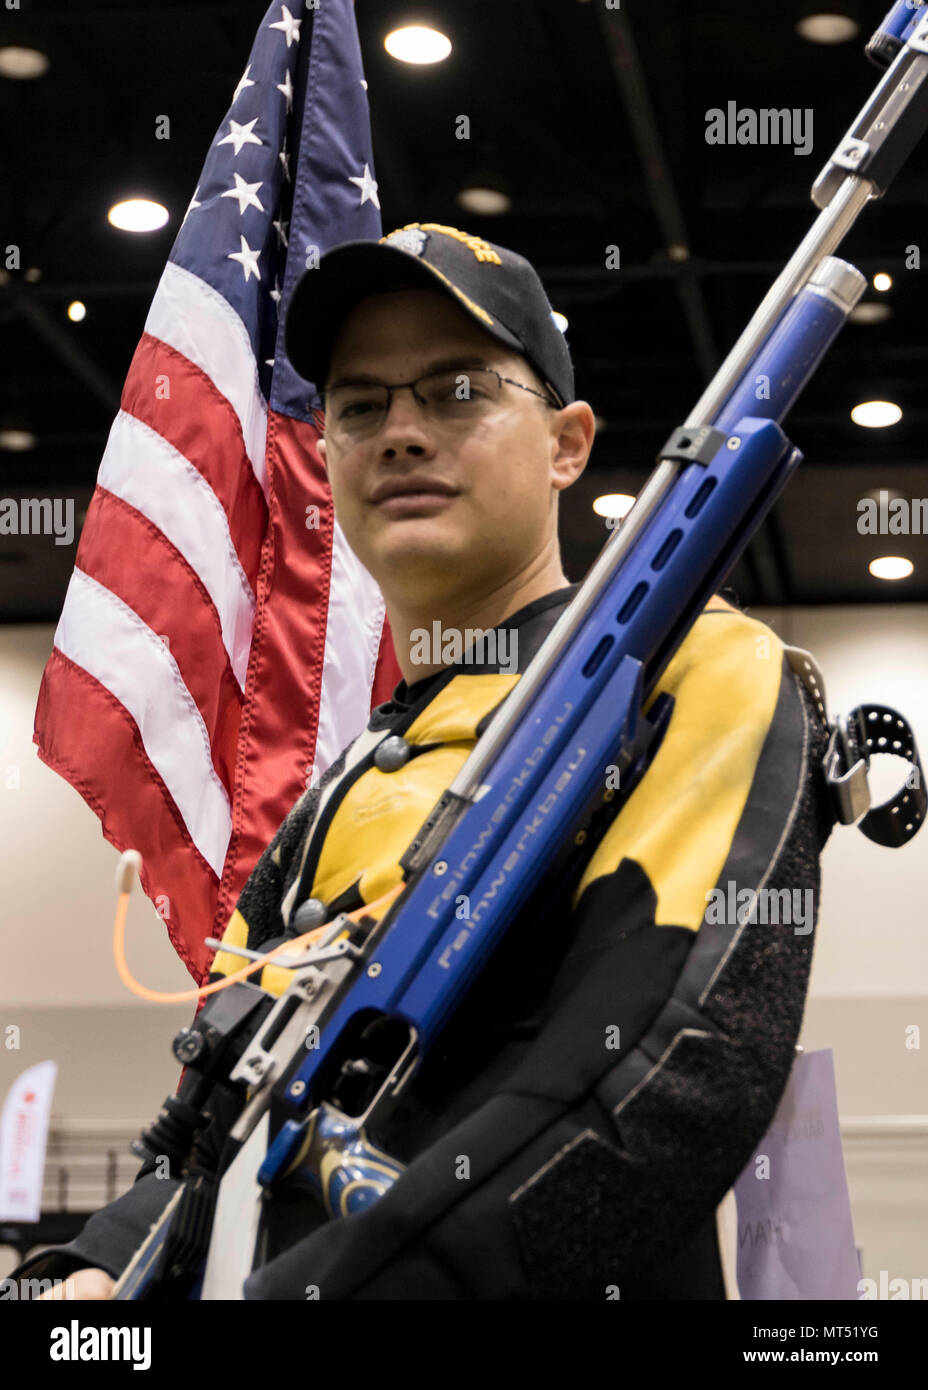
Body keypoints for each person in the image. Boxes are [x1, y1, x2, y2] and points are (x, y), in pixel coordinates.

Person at [13, 222, 835, 1300]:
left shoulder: (699, 673)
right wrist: (83, 1279)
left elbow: (651, 1086)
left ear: (567, 442)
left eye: (457, 392)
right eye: (361, 406)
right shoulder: (346, 782)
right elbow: (212, 1122)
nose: (400, 433)